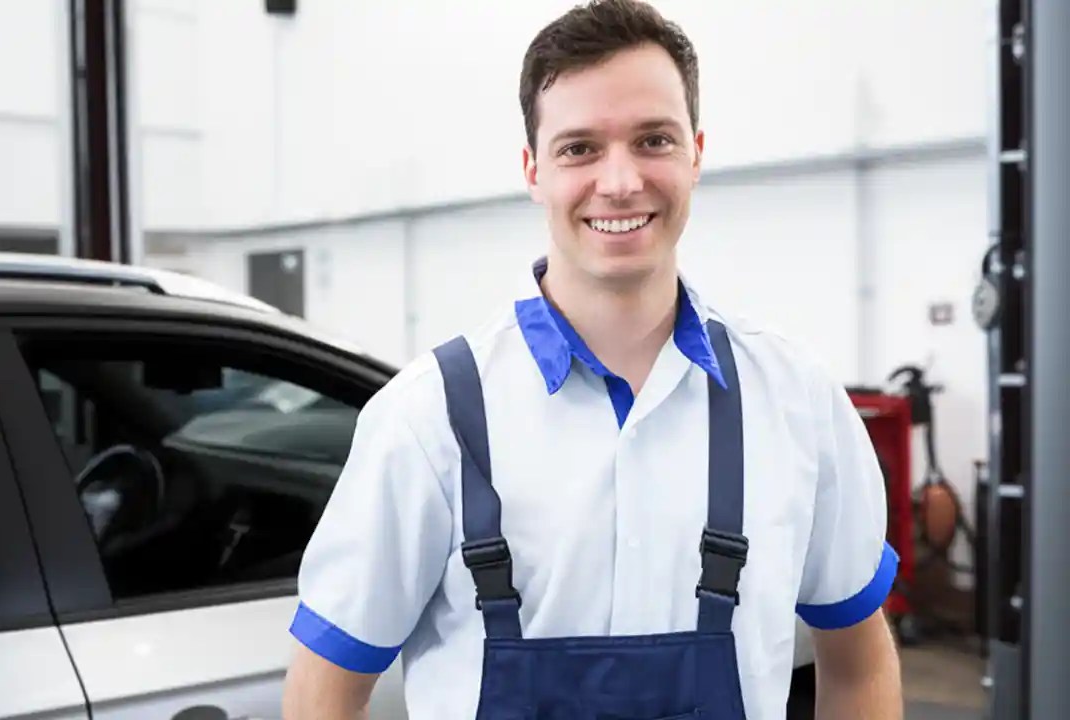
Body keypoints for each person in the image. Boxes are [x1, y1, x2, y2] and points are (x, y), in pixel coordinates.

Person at [281, 0, 903, 717]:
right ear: (533, 169)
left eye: (653, 140)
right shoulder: (428, 419)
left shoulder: (797, 400)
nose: (620, 181)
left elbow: (859, 664)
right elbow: (323, 693)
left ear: (696, 153)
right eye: (579, 148)